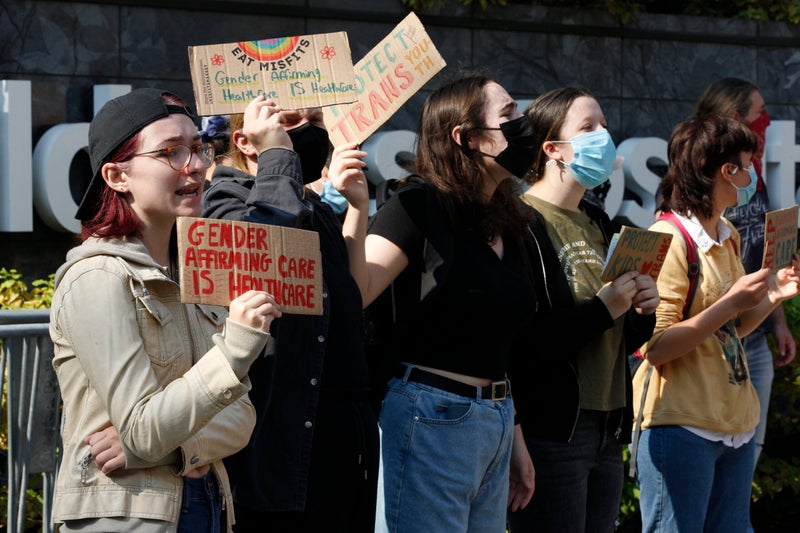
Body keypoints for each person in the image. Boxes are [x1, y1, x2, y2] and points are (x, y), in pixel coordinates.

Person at [50, 88, 281, 532]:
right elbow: (143, 427)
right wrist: (234, 351)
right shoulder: (97, 278)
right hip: (128, 514)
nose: (195, 165)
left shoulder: (196, 270)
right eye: (171, 152)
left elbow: (242, 418)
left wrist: (171, 445)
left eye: (197, 148)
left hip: (208, 502)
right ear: (118, 176)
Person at [345, 74, 537, 532]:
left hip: (494, 419)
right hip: (431, 417)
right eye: (508, 115)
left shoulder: (509, 220)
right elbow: (359, 291)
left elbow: (495, 342)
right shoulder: (416, 204)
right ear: (468, 138)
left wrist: (514, 436)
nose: (524, 124)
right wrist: (355, 210)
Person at [202, 98, 380, 532]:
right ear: (245, 141)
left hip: (338, 439)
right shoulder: (225, 202)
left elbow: (350, 298)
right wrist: (278, 158)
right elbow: (265, 264)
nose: (313, 133)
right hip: (279, 448)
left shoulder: (308, 206)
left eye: (319, 122)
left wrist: (356, 209)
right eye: (292, 123)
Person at [633, 114, 800, 532]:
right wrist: (729, 305)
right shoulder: (667, 238)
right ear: (727, 171)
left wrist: (772, 295)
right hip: (681, 425)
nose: (752, 175)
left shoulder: (727, 234)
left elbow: (728, 333)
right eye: (747, 164)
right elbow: (656, 347)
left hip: (735, 426)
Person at [505, 87, 659, 533]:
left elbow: (620, 337)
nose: (603, 137)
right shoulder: (520, 221)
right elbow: (526, 343)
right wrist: (603, 309)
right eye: (588, 128)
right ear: (552, 148)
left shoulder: (600, 223)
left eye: (605, 127)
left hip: (607, 427)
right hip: (553, 430)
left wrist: (640, 312)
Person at [694, 78, 796, 475]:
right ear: (736, 118)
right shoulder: (699, 187)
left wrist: (779, 320)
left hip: (754, 339)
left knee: (746, 456)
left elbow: (767, 260)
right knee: (710, 454)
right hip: (714, 340)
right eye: (760, 113)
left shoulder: (753, 178)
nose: (766, 121)